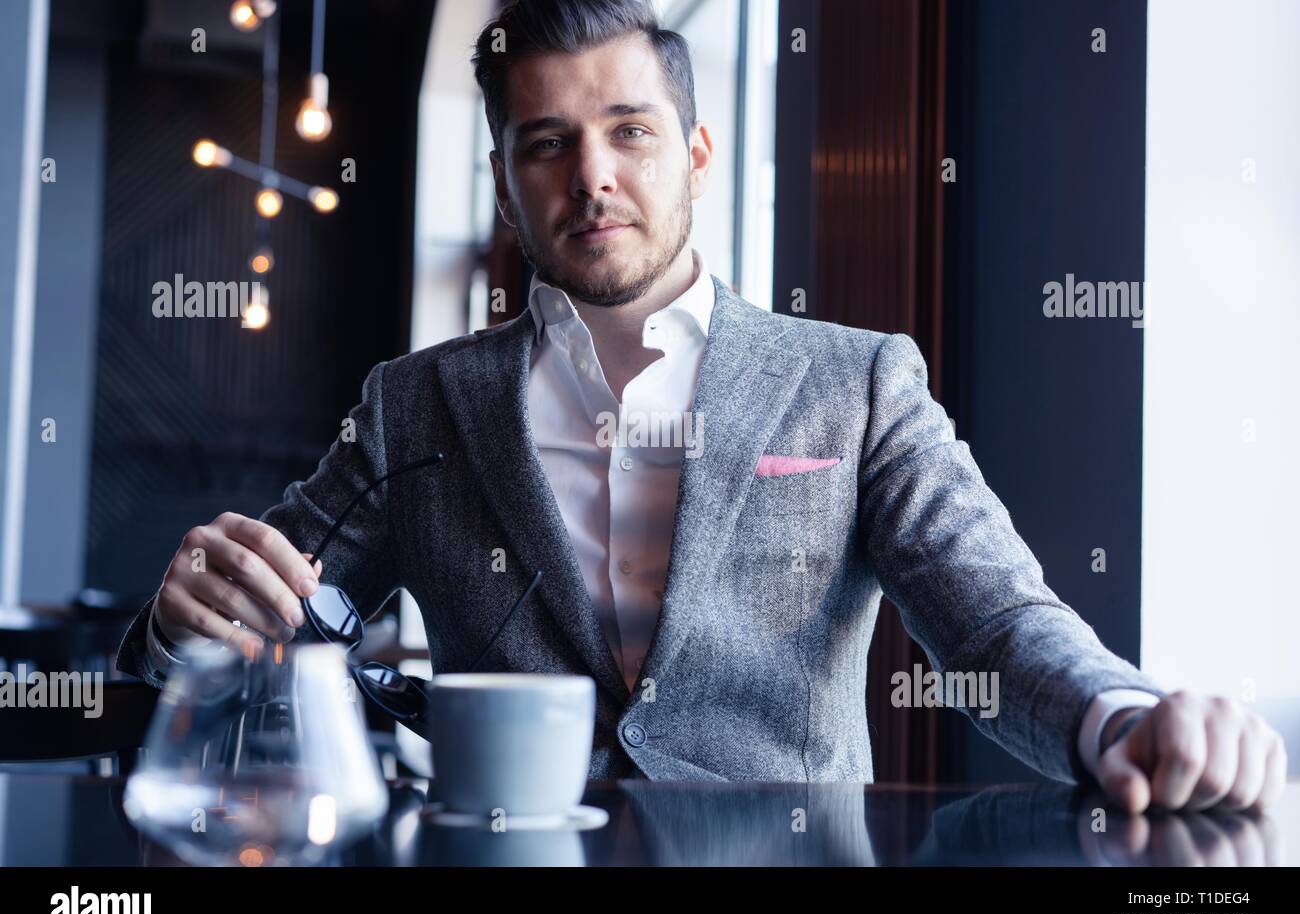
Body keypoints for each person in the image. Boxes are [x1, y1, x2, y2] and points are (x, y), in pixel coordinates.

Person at [117, 0, 1285, 813]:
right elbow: (256, 626)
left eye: (629, 131)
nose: (594, 176)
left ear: (696, 150)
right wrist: (183, 627)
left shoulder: (858, 381)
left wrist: (1122, 720)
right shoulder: (413, 403)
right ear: (505, 184)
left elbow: (994, 624)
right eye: (547, 144)